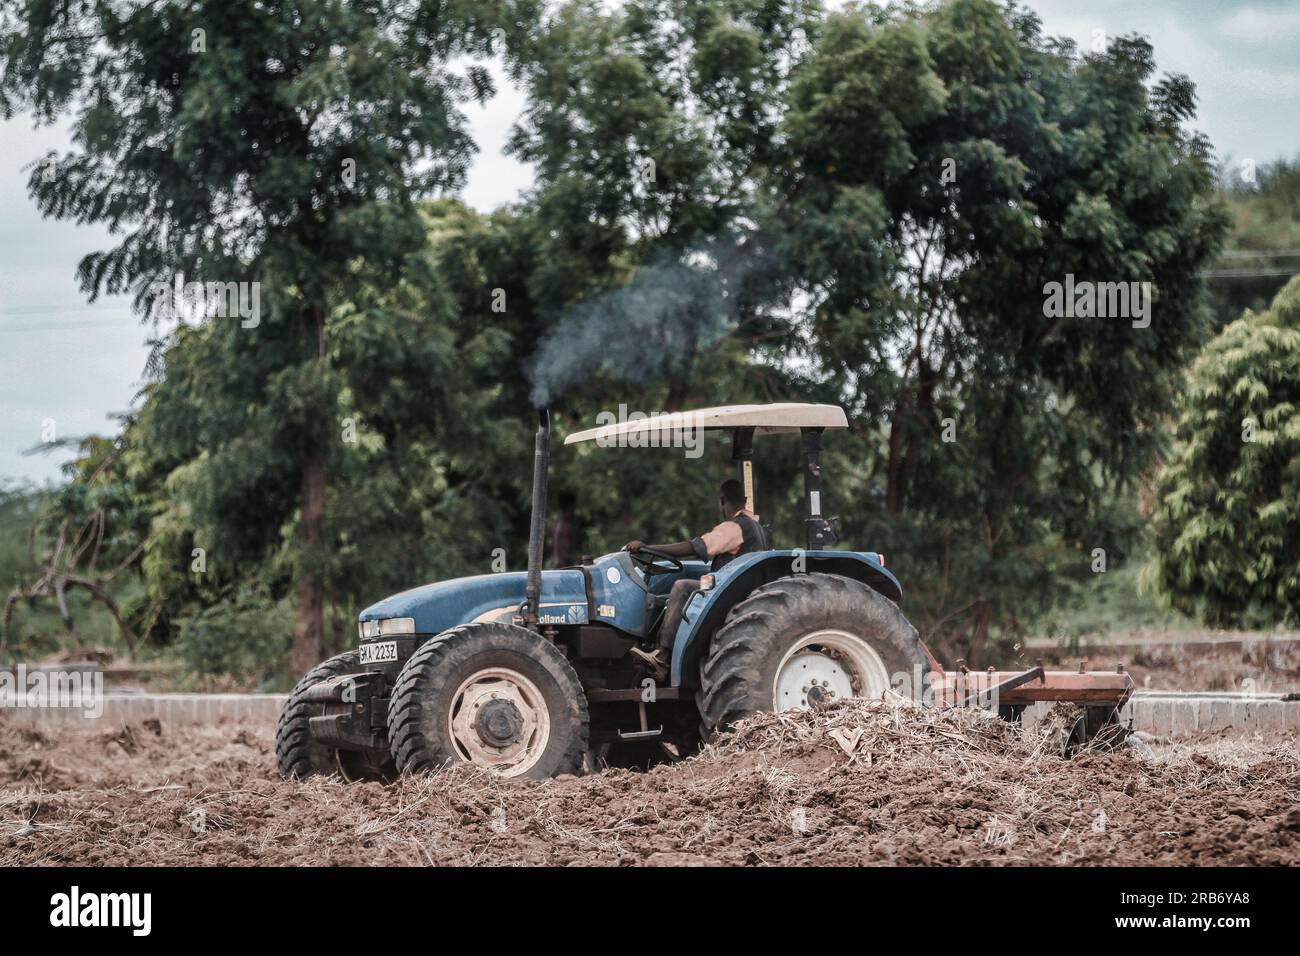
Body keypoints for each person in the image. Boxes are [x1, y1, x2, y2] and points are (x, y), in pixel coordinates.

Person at [622, 478, 767, 677]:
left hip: (728, 595)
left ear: (722, 501)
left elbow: (694, 547)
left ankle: (662, 658)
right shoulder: (755, 526)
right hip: (739, 590)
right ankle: (653, 649)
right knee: (664, 600)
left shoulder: (734, 527)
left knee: (681, 587)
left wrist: (647, 548)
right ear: (744, 499)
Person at [550, 490, 582, 567]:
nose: (574, 511)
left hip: (559, 567)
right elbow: (563, 555)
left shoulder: (556, 524)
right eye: (574, 507)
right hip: (563, 568)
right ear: (570, 507)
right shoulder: (565, 528)